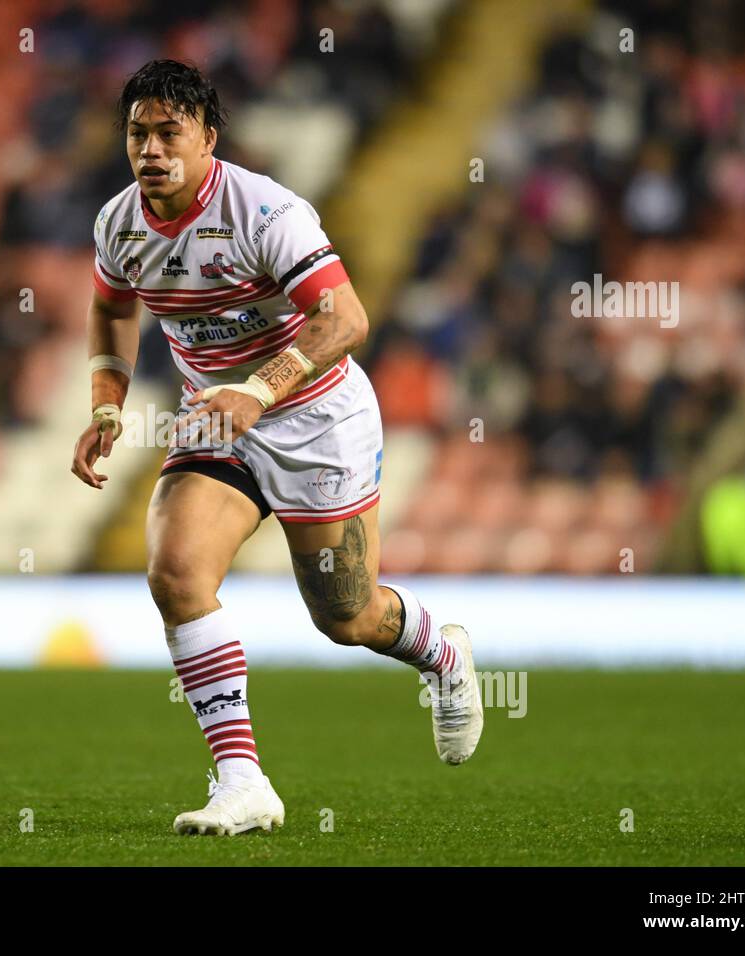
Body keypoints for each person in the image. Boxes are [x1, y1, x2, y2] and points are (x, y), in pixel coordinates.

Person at [70, 60, 483, 836]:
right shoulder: (118, 223)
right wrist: (106, 401)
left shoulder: (265, 210)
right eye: (137, 134)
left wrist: (255, 392)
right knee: (176, 571)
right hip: (220, 425)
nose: (150, 150)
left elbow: (347, 319)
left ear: (208, 138)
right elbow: (111, 308)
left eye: (169, 133)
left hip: (318, 422)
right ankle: (243, 779)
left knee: (348, 617)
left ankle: (443, 653)